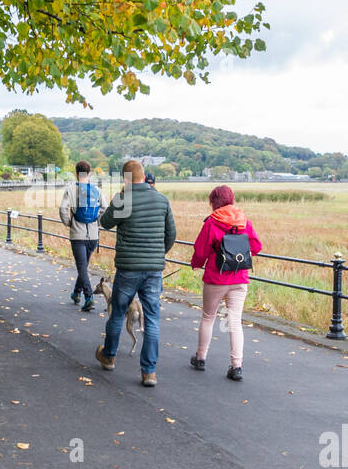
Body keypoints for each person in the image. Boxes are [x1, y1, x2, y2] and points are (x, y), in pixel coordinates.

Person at [95, 160, 176, 387]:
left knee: (118, 313)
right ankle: (149, 372)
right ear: (143, 177)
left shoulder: (124, 199)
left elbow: (106, 222)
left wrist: (119, 198)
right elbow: (171, 234)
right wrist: (157, 255)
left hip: (128, 269)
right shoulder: (162, 200)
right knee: (151, 319)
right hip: (153, 271)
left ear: (126, 179)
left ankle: (109, 356)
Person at [189, 185, 262, 381]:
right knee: (235, 322)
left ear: (213, 201)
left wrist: (196, 264)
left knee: (208, 317)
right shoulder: (243, 221)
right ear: (231, 199)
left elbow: (201, 250)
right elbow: (256, 246)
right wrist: (239, 254)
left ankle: (201, 358)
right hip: (239, 277)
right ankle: (236, 366)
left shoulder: (212, 222)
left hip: (216, 277)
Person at [59, 161, 104, 311]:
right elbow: (105, 208)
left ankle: (89, 296)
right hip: (93, 236)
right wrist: (97, 222)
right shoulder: (97, 189)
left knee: (82, 267)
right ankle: (76, 293)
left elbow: (63, 209)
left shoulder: (71, 190)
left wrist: (69, 223)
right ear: (89, 173)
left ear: (76, 173)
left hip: (77, 235)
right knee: (83, 266)